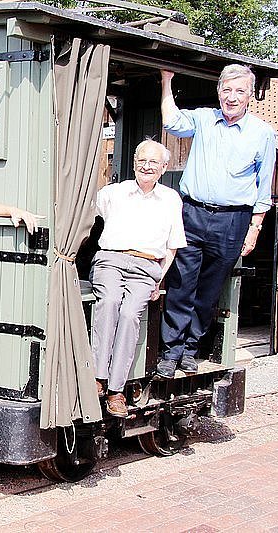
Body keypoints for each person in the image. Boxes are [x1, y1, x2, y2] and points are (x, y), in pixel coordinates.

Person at [157, 64, 276, 378]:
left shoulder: (262, 133)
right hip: (192, 213)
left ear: (250, 96)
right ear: (219, 91)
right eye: (227, 90)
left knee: (209, 290)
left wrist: (254, 229)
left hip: (233, 221)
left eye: (240, 91)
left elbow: (264, 186)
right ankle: (170, 352)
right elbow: (171, 121)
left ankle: (190, 350)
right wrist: (166, 81)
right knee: (181, 285)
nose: (232, 97)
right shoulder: (203, 119)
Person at [90, 139, 186, 417]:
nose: (146, 166)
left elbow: (172, 247)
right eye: (141, 160)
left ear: (164, 167)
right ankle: (97, 378)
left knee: (130, 314)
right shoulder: (113, 193)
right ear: (134, 164)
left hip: (147, 267)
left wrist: (158, 281)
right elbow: (83, 211)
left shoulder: (171, 199)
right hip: (111, 260)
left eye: (153, 162)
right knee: (109, 302)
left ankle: (116, 390)